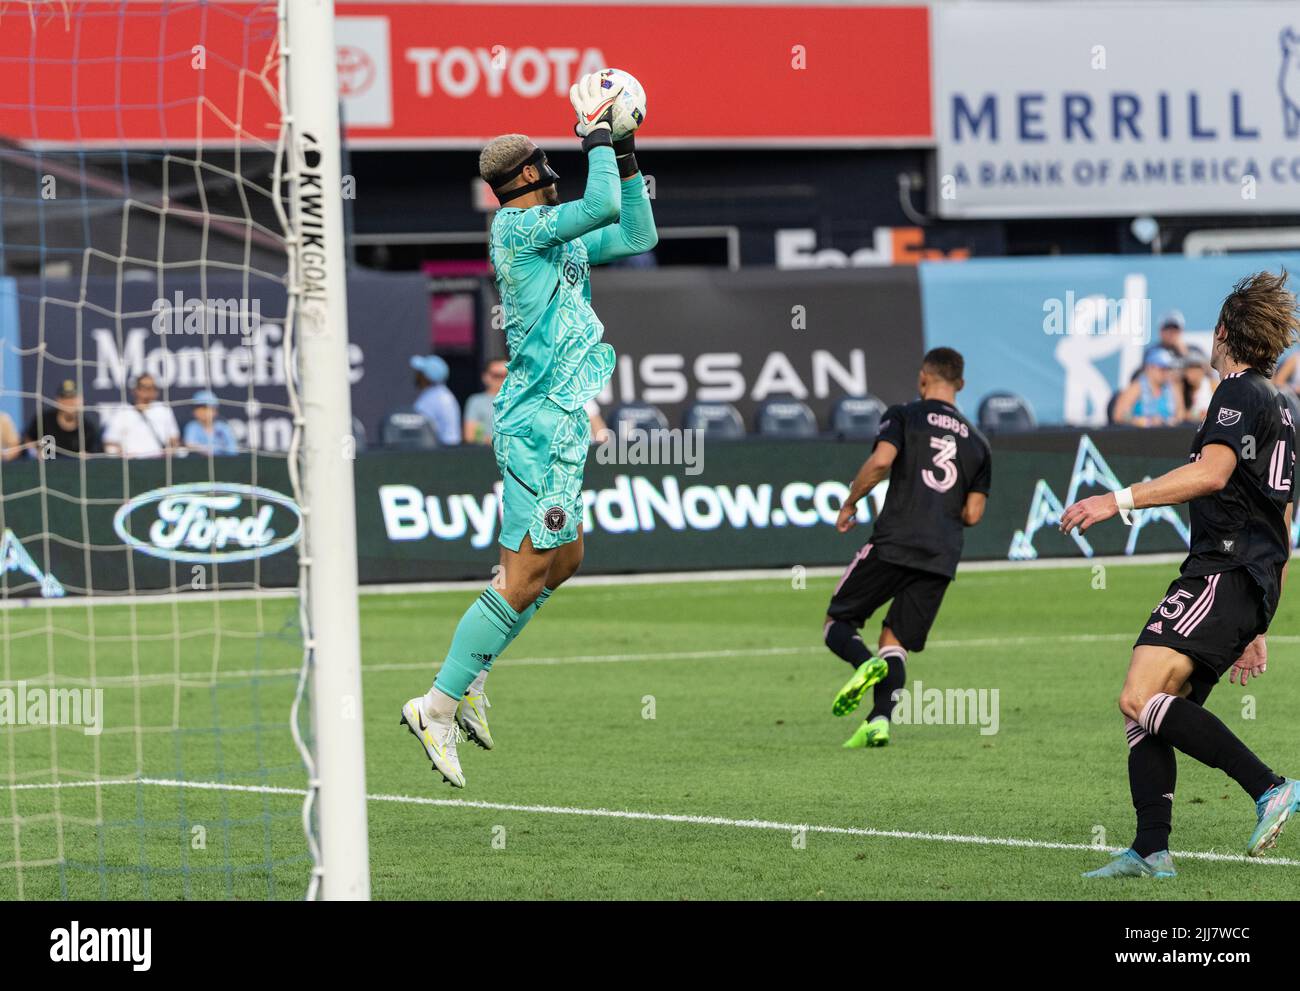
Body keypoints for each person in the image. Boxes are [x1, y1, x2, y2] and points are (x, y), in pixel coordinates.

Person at [400, 72, 657, 787]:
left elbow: (636, 228)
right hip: (535, 426)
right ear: (523, 175)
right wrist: (600, 131)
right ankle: (437, 703)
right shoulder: (517, 229)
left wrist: (625, 149)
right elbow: (600, 201)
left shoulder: (558, 240)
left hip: (564, 422)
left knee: (565, 559)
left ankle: (472, 671)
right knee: (521, 579)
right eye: (547, 159)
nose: (556, 164)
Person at [1061, 270, 1300, 879]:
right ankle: (1150, 849)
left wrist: (1116, 500)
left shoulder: (1238, 393)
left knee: (1138, 697)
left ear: (1223, 333)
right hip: (1246, 576)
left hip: (1222, 567)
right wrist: (1260, 617)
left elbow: (1213, 473)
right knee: (1151, 704)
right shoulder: (1286, 407)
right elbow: (1284, 515)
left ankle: (1269, 786)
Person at [823, 347, 992, 749]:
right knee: (894, 641)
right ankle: (879, 721)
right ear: (961, 384)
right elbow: (972, 513)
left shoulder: (904, 415)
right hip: (942, 553)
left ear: (922, 379)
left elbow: (882, 461)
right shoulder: (979, 443)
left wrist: (851, 501)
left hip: (896, 540)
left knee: (837, 624)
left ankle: (865, 666)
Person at [103, 374, 180, 458]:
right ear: (135, 390)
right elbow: (110, 441)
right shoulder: (123, 411)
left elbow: (174, 439)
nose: (149, 390)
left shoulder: (164, 409)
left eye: (153, 387)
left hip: (159, 462)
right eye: (144, 387)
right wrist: (124, 455)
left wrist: (170, 451)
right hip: (131, 463)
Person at [23, 379, 103, 458]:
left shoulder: (89, 427)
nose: (69, 402)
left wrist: (88, 457)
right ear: (57, 400)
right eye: (65, 398)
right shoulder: (44, 420)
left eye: (73, 398)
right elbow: (28, 439)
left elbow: (96, 454)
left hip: (75, 469)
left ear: (81, 400)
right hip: (48, 467)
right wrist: (35, 453)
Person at [1113, 347, 1184, 426]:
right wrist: (1137, 421)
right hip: (1141, 435)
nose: (1166, 373)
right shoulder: (1136, 388)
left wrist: (1174, 420)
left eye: (1168, 369)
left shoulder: (1173, 387)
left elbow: (1180, 412)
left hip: (1168, 434)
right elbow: (1119, 415)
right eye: (1162, 368)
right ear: (1149, 368)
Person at [410, 354, 461, 447]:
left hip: (439, 453)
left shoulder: (435, 398)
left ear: (426, 377)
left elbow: (451, 439)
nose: (416, 375)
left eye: (420, 372)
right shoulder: (436, 394)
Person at [462, 358, 507, 444]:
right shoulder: (476, 402)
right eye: (497, 375)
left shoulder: (521, 400)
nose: (503, 379)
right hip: (486, 453)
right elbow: (470, 436)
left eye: (506, 375)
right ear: (485, 377)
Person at [182, 390, 239, 456]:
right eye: (197, 407)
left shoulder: (223, 427)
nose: (200, 411)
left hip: (225, 463)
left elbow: (233, 450)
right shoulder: (192, 427)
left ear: (215, 410)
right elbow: (190, 445)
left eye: (205, 408)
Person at [1180, 347, 1216, 423]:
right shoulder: (1182, 387)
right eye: (1188, 368)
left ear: (1202, 370)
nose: (1190, 373)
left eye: (1194, 368)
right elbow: (1181, 414)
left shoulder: (1212, 385)